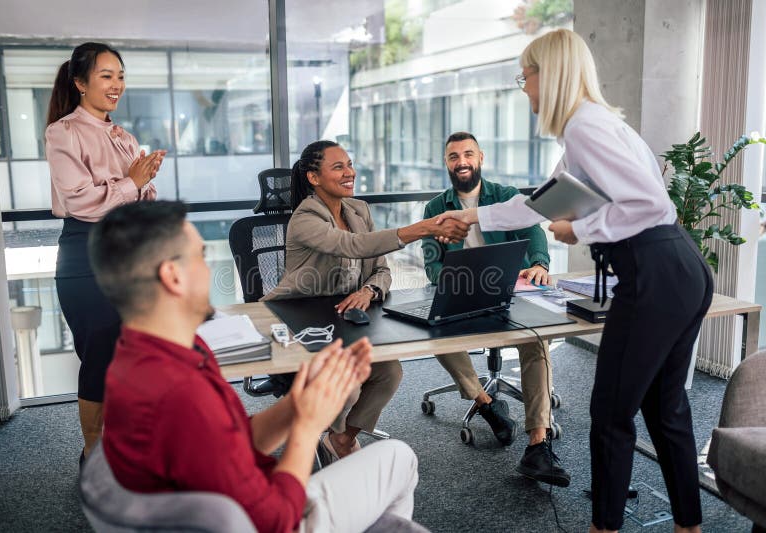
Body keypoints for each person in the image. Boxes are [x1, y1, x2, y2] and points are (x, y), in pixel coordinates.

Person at [437, 29, 712, 533]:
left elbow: (647, 204)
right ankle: (688, 525)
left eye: (526, 75)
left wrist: (577, 229)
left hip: (652, 273)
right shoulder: (593, 125)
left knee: (611, 413)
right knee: (665, 408)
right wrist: (471, 216)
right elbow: (538, 203)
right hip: (682, 268)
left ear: (550, 74)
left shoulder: (585, 126)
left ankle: (603, 527)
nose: (525, 87)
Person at [90, 201, 420, 533]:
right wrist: (307, 428)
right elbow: (277, 520)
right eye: (200, 257)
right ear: (172, 276)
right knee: (399, 457)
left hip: (242, 499)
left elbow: (233, 442)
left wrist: (299, 403)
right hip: (271, 518)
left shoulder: (147, 353)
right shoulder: (182, 394)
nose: (209, 271)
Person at [263, 140, 469, 461]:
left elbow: (382, 269)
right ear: (314, 178)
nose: (350, 173)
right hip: (301, 320)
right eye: (338, 167)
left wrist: (368, 291)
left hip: (343, 320)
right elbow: (354, 245)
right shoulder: (305, 218)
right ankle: (312, 440)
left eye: (350, 164)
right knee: (348, 383)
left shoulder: (358, 210)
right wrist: (422, 229)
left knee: (390, 372)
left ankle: (342, 438)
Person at [421, 131, 569, 487]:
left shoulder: (505, 197)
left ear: (480, 158)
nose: (461, 162)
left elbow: (534, 230)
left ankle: (537, 444)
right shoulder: (435, 209)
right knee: (437, 333)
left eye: (468, 154)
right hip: (464, 294)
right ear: (447, 163)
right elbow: (431, 264)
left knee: (537, 340)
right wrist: (453, 278)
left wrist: (539, 263)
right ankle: (486, 403)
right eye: (454, 156)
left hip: (511, 291)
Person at [45, 42, 167, 461]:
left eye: (121, 76)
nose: (117, 84)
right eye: (106, 75)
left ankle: (125, 446)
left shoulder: (124, 137)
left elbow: (137, 200)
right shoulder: (63, 132)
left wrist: (145, 183)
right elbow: (81, 202)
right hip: (86, 254)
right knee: (100, 357)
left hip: (128, 252)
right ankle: (94, 455)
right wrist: (133, 183)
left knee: (132, 354)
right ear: (80, 83)